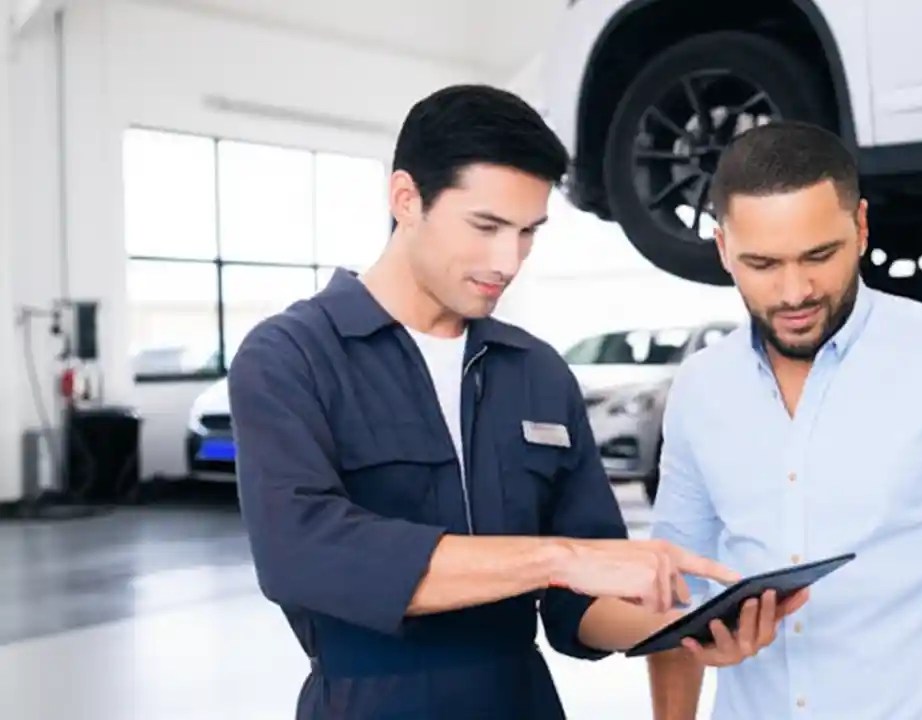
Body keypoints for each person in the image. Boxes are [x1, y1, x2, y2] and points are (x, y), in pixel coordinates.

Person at [227, 85, 797, 720]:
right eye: (487, 226)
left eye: (528, 232)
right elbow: (303, 556)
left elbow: (577, 603)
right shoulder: (292, 357)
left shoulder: (536, 371)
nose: (509, 260)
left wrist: (682, 626)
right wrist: (555, 559)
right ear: (405, 199)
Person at [646, 121, 922, 720]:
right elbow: (675, 591)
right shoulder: (702, 387)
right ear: (724, 248)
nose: (794, 291)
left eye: (819, 255)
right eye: (762, 263)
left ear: (860, 228)